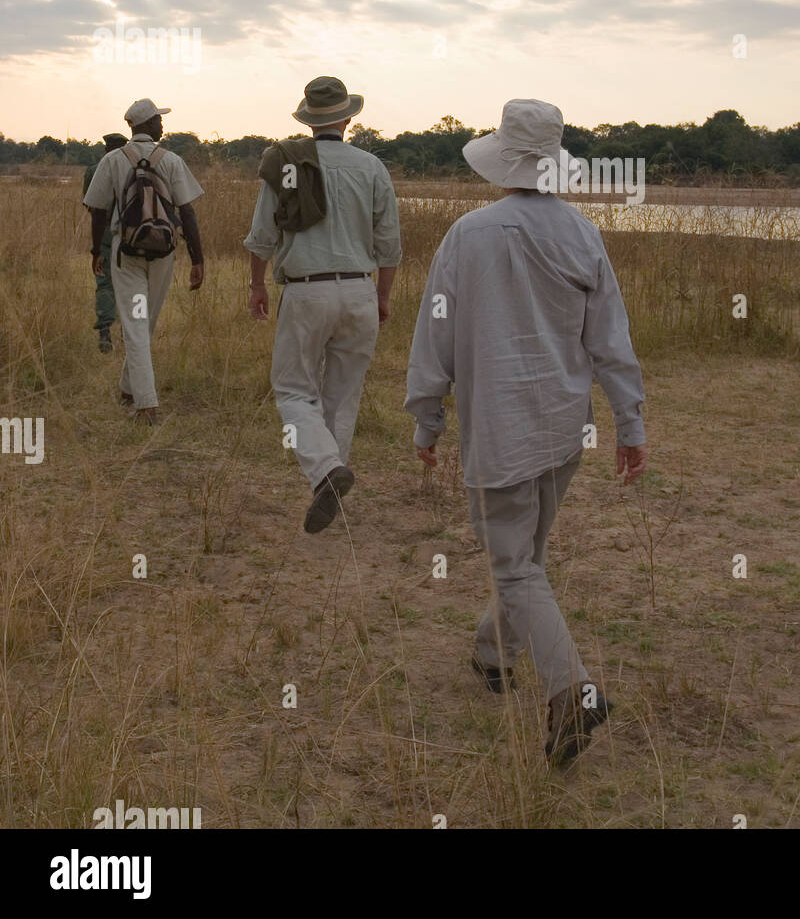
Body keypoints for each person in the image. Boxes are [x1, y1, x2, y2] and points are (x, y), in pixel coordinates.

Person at [404, 98, 648, 767]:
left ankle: (573, 689)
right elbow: (611, 339)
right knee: (525, 558)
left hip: (501, 427)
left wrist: (426, 414)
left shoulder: (468, 234)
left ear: (504, 161)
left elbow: (436, 334)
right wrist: (629, 421)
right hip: (565, 428)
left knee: (512, 564)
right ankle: (493, 656)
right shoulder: (581, 235)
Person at [244, 76, 401, 534]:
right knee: (343, 394)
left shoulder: (287, 163)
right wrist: (383, 295)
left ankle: (325, 471)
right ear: (349, 118)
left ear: (308, 119)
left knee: (293, 390)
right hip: (359, 288)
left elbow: (262, 235)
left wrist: (257, 284)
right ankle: (331, 479)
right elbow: (389, 242)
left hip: (305, 289)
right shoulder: (372, 167)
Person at [82, 100, 205, 423]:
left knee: (138, 324)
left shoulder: (112, 160)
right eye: (158, 121)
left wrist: (97, 251)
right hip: (163, 254)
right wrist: (197, 258)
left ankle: (131, 390)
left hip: (127, 255)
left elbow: (98, 211)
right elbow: (187, 212)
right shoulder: (171, 160)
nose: (162, 126)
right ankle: (145, 403)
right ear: (146, 125)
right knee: (144, 323)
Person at [82, 132, 128, 352]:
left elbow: (93, 209)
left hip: (106, 236)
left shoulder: (94, 170)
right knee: (137, 286)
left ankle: (104, 333)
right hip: (134, 237)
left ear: (106, 148)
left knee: (104, 284)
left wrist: (95, 247)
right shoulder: (136, 166)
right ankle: (134, 332)